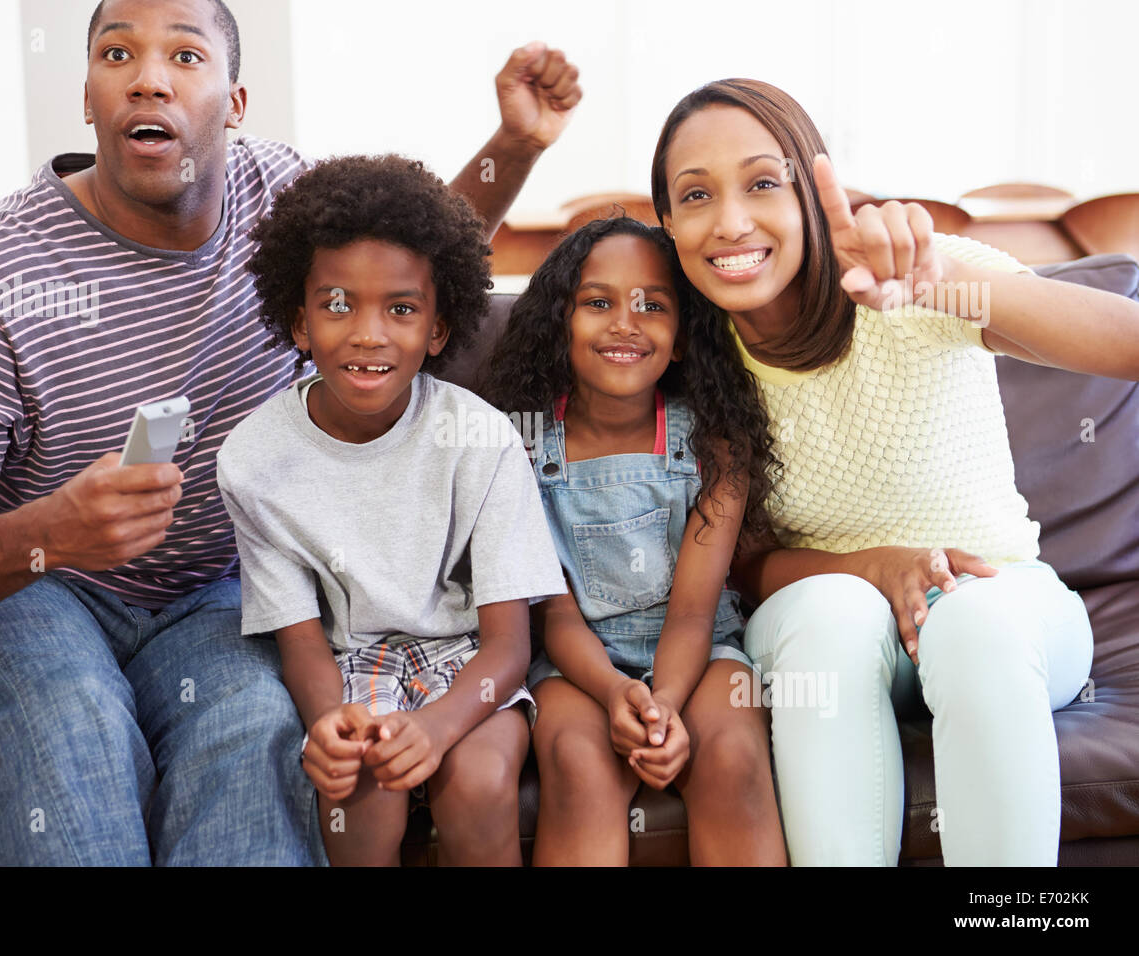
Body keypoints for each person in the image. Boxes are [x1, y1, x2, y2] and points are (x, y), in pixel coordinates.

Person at [0, 0, 582, 866]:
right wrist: (51, 535)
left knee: (253, 739)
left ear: (234, 103)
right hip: (25, 595)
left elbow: (401, 268)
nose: (149, 76)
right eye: (117, 54)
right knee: (71, 720)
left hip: (221, 598)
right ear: (89, 96)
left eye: (185, 56)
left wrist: (519, 143)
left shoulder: (279, 198)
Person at [651, 77, 1139, 865]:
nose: (732, 220)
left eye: (763, 183)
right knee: (832, 614)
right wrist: (872, 568)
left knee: (973, 616)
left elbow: (1128, 344)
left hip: (1004, 603)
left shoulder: (918, 276)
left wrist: (938, 281)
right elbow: (734, 566)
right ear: (669, 223)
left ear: (816, 189)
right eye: (697, 195)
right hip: (826, 623)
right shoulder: (683, 350)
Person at [218, 154, 566, 866]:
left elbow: (509, 646)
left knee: (479, 780)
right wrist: (331, 726)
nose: (370, 333)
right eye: (338, 304)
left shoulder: (481, 438)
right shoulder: (254, 460)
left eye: (401, 309)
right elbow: (304, 642)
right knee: (358, 789)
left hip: (471, 665)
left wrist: (437, 727)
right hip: (352, 667)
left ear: (438, 331)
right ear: (299, 323)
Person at [481, 216, 787, 865]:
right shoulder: (522, 446)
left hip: (697, 651)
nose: (626, 322)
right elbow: (555, 613)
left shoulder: (715, 444)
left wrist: (663, 707)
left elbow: (695, 610)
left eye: (653, 305)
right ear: (559, 324)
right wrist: (618, 693)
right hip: (575, 660)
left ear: (681, 338)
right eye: (598, 303)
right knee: (576, 758)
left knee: (731, 752)